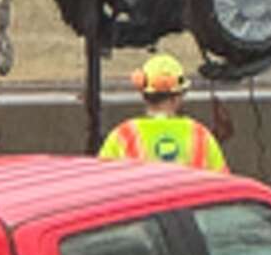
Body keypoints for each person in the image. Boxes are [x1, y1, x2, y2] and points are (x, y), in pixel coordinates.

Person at [98, 53, 228, 170]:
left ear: (143, 95)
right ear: (178, 97)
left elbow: (101, 180)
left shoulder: (123, 135)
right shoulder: (200, 135)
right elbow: (224, 183)